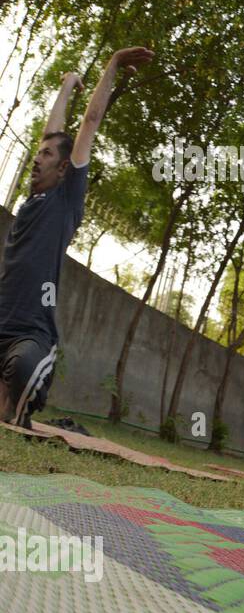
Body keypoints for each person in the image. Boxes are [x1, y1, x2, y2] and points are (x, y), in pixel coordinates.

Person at [0, 48, 153, 427]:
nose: (37, 159)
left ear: (65, 167)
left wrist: (113, 63)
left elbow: (90, 121)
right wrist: (67, 85)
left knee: (24, 370)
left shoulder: (65, 201)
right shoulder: (32, 199)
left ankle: (12, 398)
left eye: (47, 155)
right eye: (38, 153)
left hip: (30, 335)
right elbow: (51, 131)